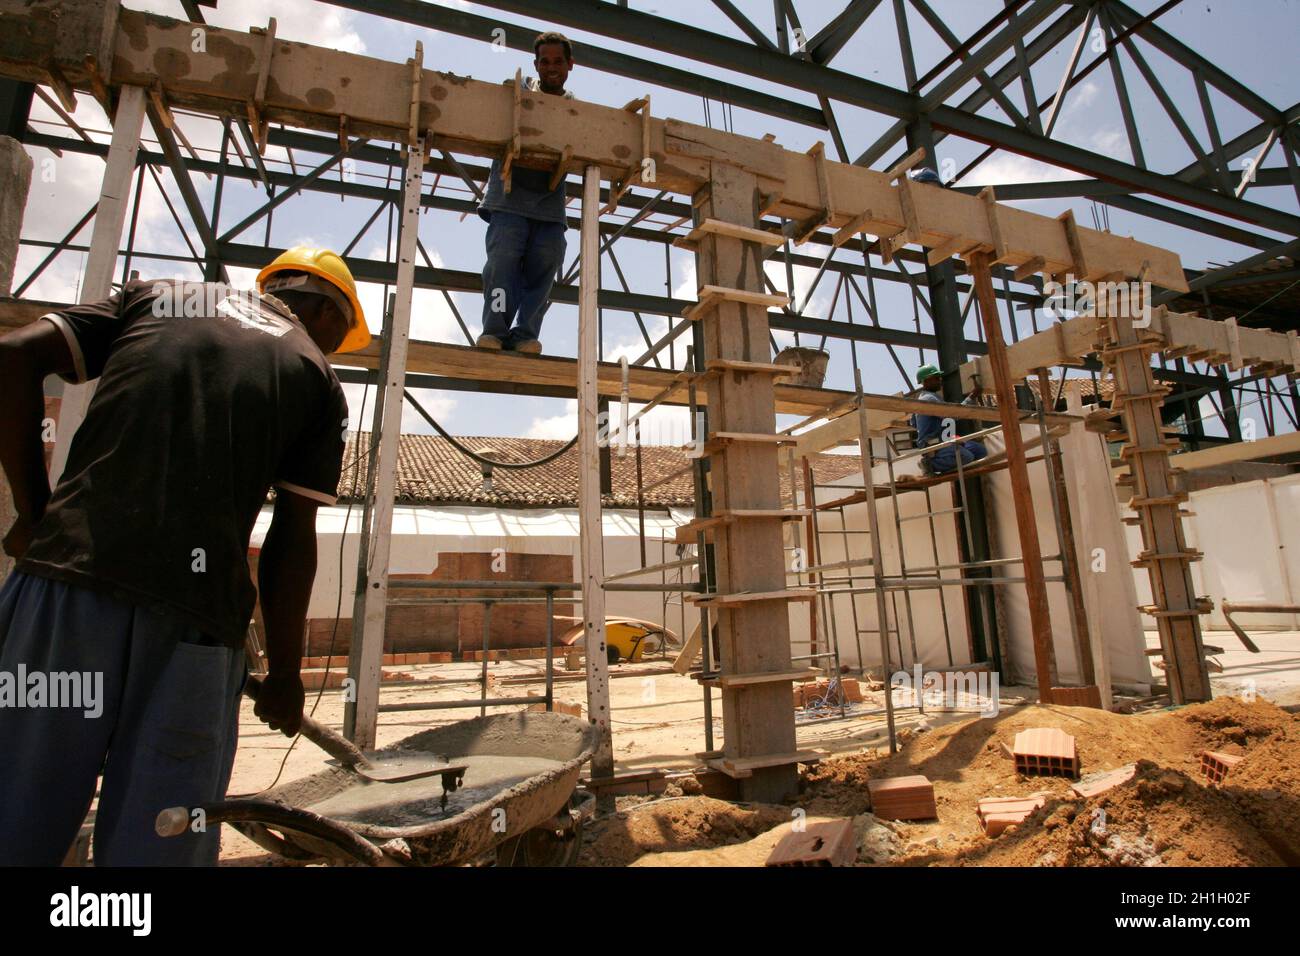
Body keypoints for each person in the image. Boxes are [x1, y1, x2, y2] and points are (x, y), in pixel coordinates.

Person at [0, 247, 365, 865]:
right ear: (327, 315)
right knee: (164, 832)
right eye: (340, 337)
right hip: (196, 625)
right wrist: (283, 676)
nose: (332, 349)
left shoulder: (157, 296)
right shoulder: (313, 373)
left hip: (67, 587)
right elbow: (290, 539)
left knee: (16, 799)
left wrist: (36, 516)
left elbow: (12, 355)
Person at [475, 31, 577, 356]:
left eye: (558, 61)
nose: (551, 68)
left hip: (549, 207)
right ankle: (495, 330)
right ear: (536, 65)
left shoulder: (575, 112)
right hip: (509, 200)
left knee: (545, 264)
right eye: (544, 62)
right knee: (503, 262)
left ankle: (525, 334)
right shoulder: (517, 94)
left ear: (569, 65)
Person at [912, 364, 986, 476]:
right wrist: (972, 397)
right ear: (926, 381)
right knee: (966, 456)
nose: (940, 380)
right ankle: (929, 464)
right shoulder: (929, 399)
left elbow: (913, 422)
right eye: (936, 378)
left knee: (980, 451)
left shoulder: (927, 398)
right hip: (933, 445)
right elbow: (952, 415)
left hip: (944, 440)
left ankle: (948, 463)